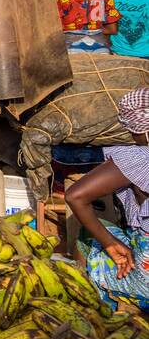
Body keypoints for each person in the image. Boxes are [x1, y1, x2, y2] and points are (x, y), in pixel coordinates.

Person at [63, 88, 149, 308]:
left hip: (146, 277)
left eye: (131, 130)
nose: (131, 136)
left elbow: (75, 196)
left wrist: (110, 244)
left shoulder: (141, 157)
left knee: (89, 238)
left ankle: (96, 309)